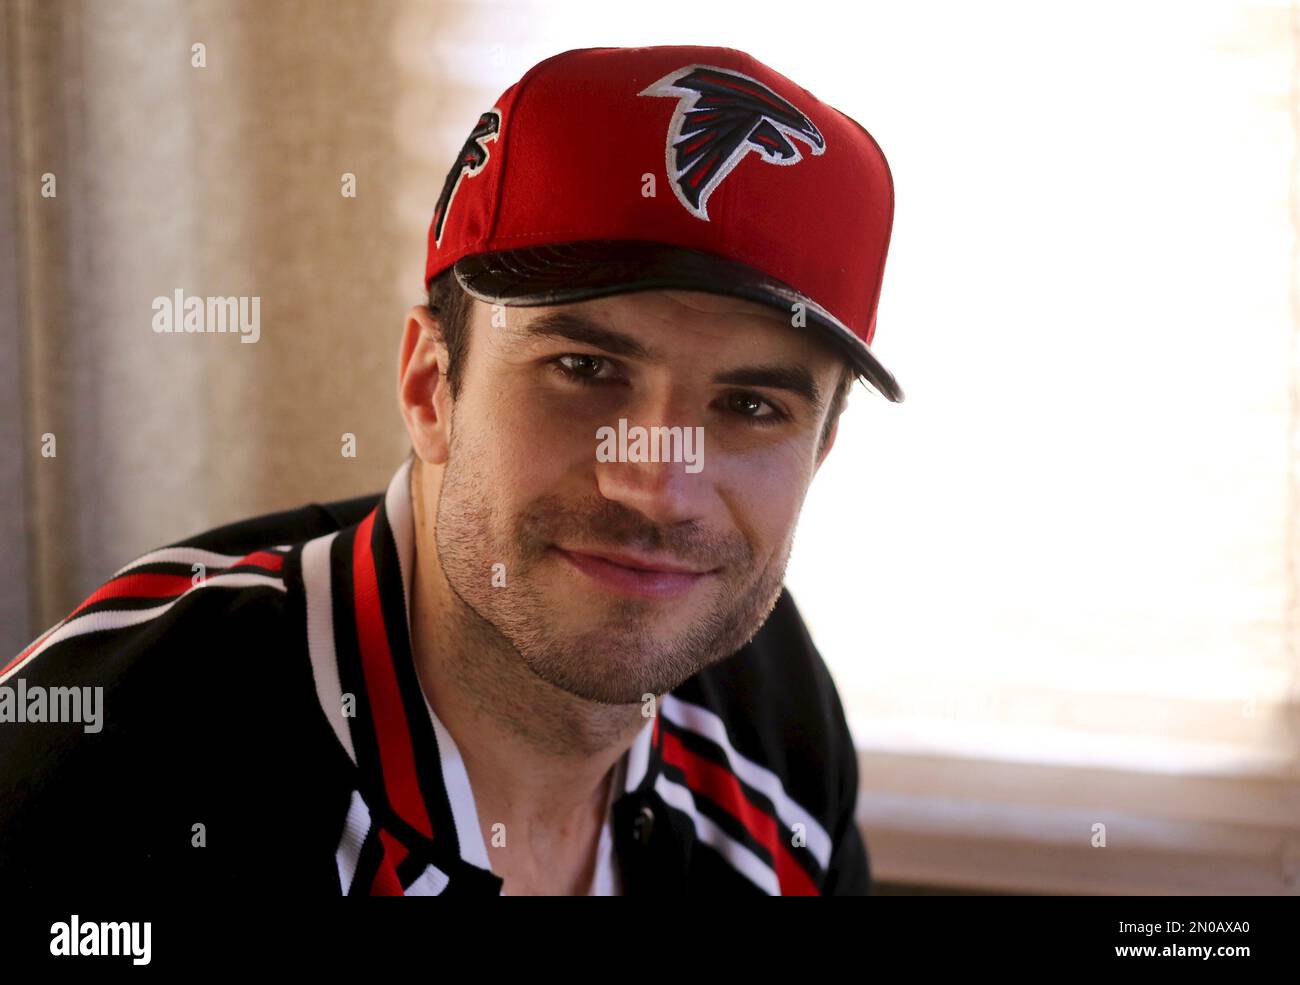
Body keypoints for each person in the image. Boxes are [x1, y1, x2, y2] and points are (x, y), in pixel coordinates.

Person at [0, 44, 904, 896]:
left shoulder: (767, 705)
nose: (658, 485)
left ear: (819, 447)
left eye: (750, 406)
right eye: (585, 370)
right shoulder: (104, 770)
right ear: (432, 387)